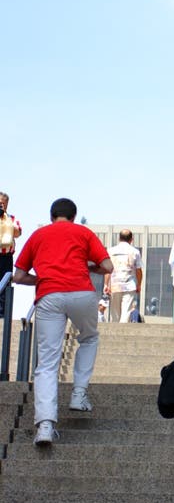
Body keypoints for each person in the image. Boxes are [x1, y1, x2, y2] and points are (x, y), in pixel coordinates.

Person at [13, 198, 113, 446]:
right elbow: (107, 265)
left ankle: (45, 426)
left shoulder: (38, 236)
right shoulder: (83, 232)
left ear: (51, 216)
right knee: (89, 338)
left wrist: (42, 280)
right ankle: (78, 394)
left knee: (47, 362)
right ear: (74, 215)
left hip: (48, 296)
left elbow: (18, 275)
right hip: (81, 293)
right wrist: (90, 267)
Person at [104, 229, 142, 322]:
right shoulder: (135, 251)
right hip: (129, 284)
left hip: (114, 285)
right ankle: (123, 330)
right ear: (131, 239)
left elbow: (108, 269)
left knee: (115, 313)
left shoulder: (110, 250)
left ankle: (115, 332)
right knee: (126, 311)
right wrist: (139, 284)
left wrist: (106, 284)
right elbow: (139, 270)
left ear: (119, 238)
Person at [0, 191, 22, 318]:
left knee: (5, 284)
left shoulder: (12, 219)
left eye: (3, 203)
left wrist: (6, 220)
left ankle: (2, 315)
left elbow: (18, 233)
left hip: (5, 257)